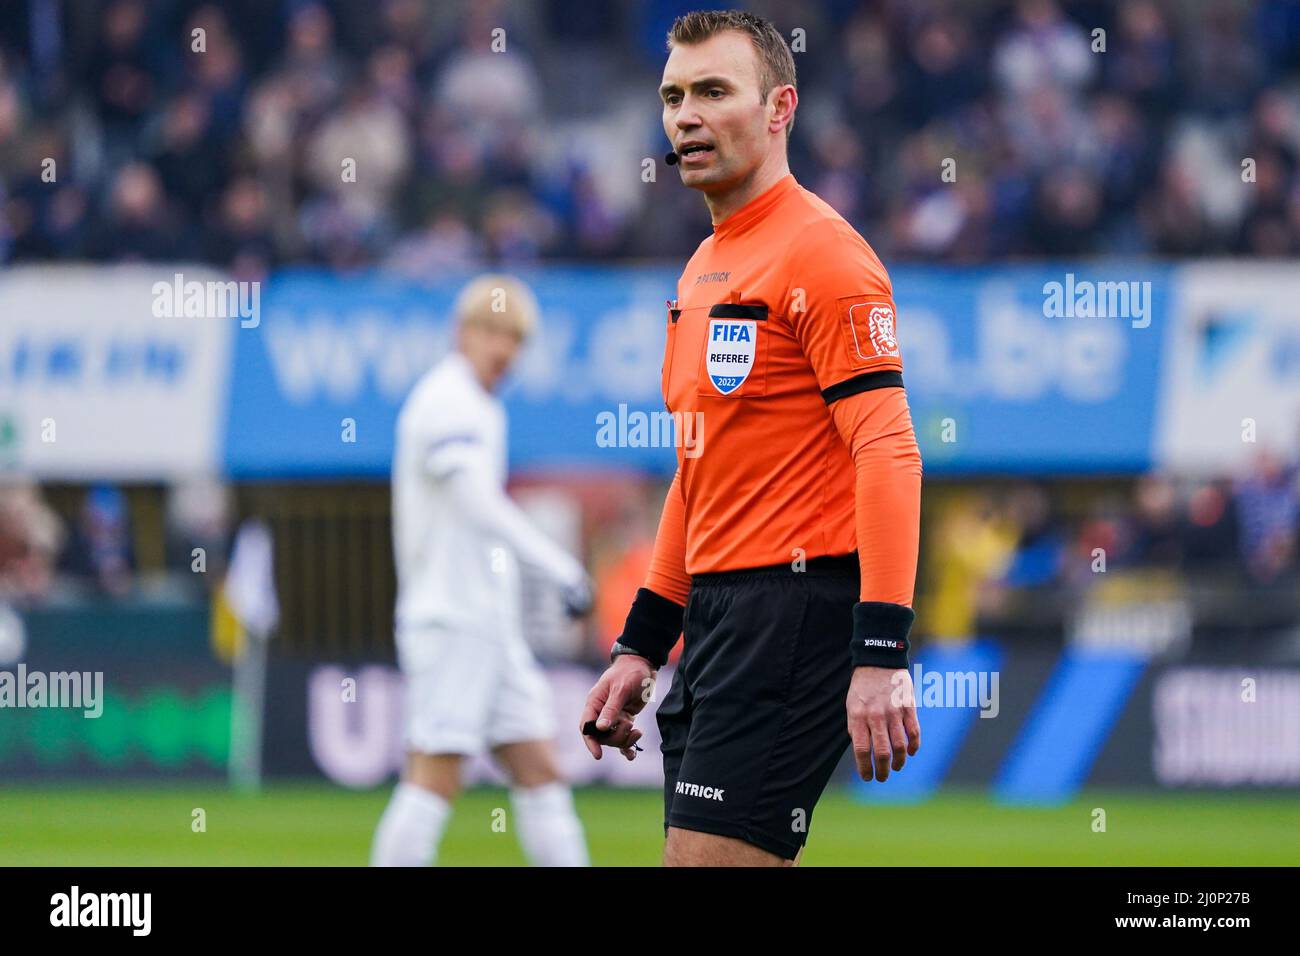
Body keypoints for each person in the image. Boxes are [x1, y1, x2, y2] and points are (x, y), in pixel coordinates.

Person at [580, 10, 924, 867]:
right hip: (718, 618)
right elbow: (696, 478)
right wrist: (640, 646)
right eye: (672, 96)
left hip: (794, 612)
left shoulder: (824, 255)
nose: (685, 116)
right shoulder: (702, 268)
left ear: (780, 110)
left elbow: (888, 450)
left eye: (712, 92)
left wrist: (880, 652)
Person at [371, 275, 593, 866]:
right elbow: (476, 501)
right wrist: (559, 567)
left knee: (539, 768)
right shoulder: (448, 398)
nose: (506, 350)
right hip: (450, 619)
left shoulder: (476, 403)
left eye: (516, 339)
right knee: (435, 773)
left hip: (487, 625)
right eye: (495, 333)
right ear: (462, 332)